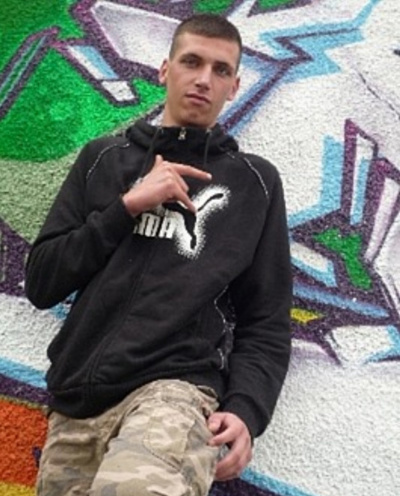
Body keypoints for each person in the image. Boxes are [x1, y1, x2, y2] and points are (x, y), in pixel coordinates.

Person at [25, 13, 292, 496]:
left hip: (175, 393)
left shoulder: (255, 183)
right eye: (191, 62)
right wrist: (126, 207)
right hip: (75, 403)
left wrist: (248, 409)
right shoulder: (103, 160)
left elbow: (267, 320)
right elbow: (43, 282)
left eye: (220, 70)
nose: (203, 79)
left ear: (234, 87)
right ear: (165, 70)